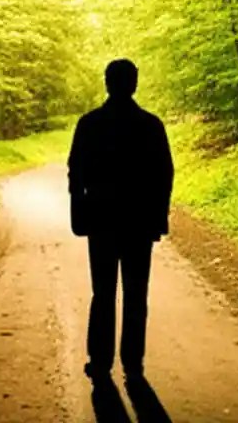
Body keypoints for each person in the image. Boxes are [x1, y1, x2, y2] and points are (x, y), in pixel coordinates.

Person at [67, 58, 173, 383]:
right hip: (139, 223)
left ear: (107, 83)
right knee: (136, 293)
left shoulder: (90, 124)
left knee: (103, 292)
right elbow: (164, 175)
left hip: (101, 221)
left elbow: (76, 172)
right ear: (134, 83)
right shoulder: (150, 125)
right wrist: (159, 218)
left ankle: (100, 363)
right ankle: (133, 364)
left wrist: (79, 213)